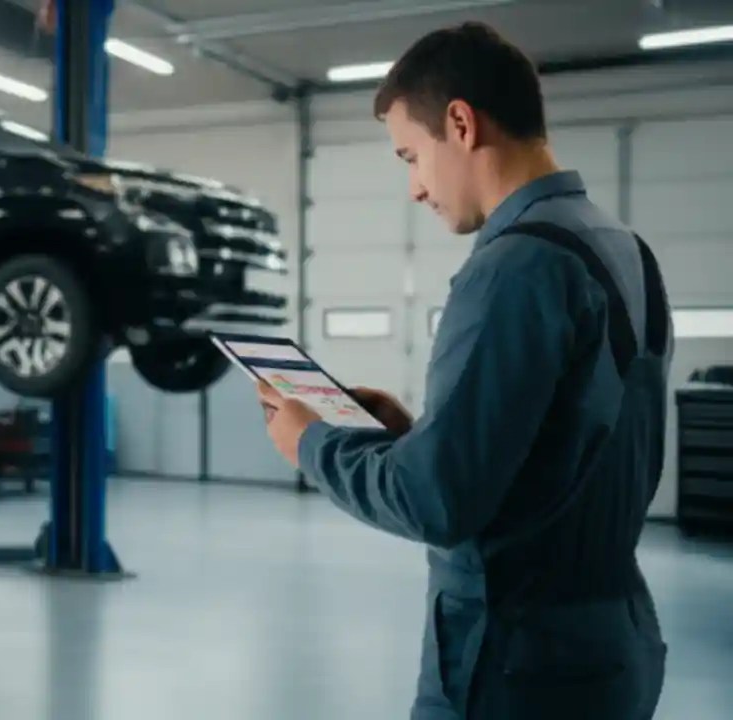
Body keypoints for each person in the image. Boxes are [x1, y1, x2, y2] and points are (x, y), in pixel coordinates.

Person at [256, 21, 672, 720]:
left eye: (411, 156)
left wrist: (311, 442)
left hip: (514, 665)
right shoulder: (622, 247)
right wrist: (410, 436)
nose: (415, 188)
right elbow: (562, 452)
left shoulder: (514, 266)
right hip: (612, 649)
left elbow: (436, 503)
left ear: (460, 123)